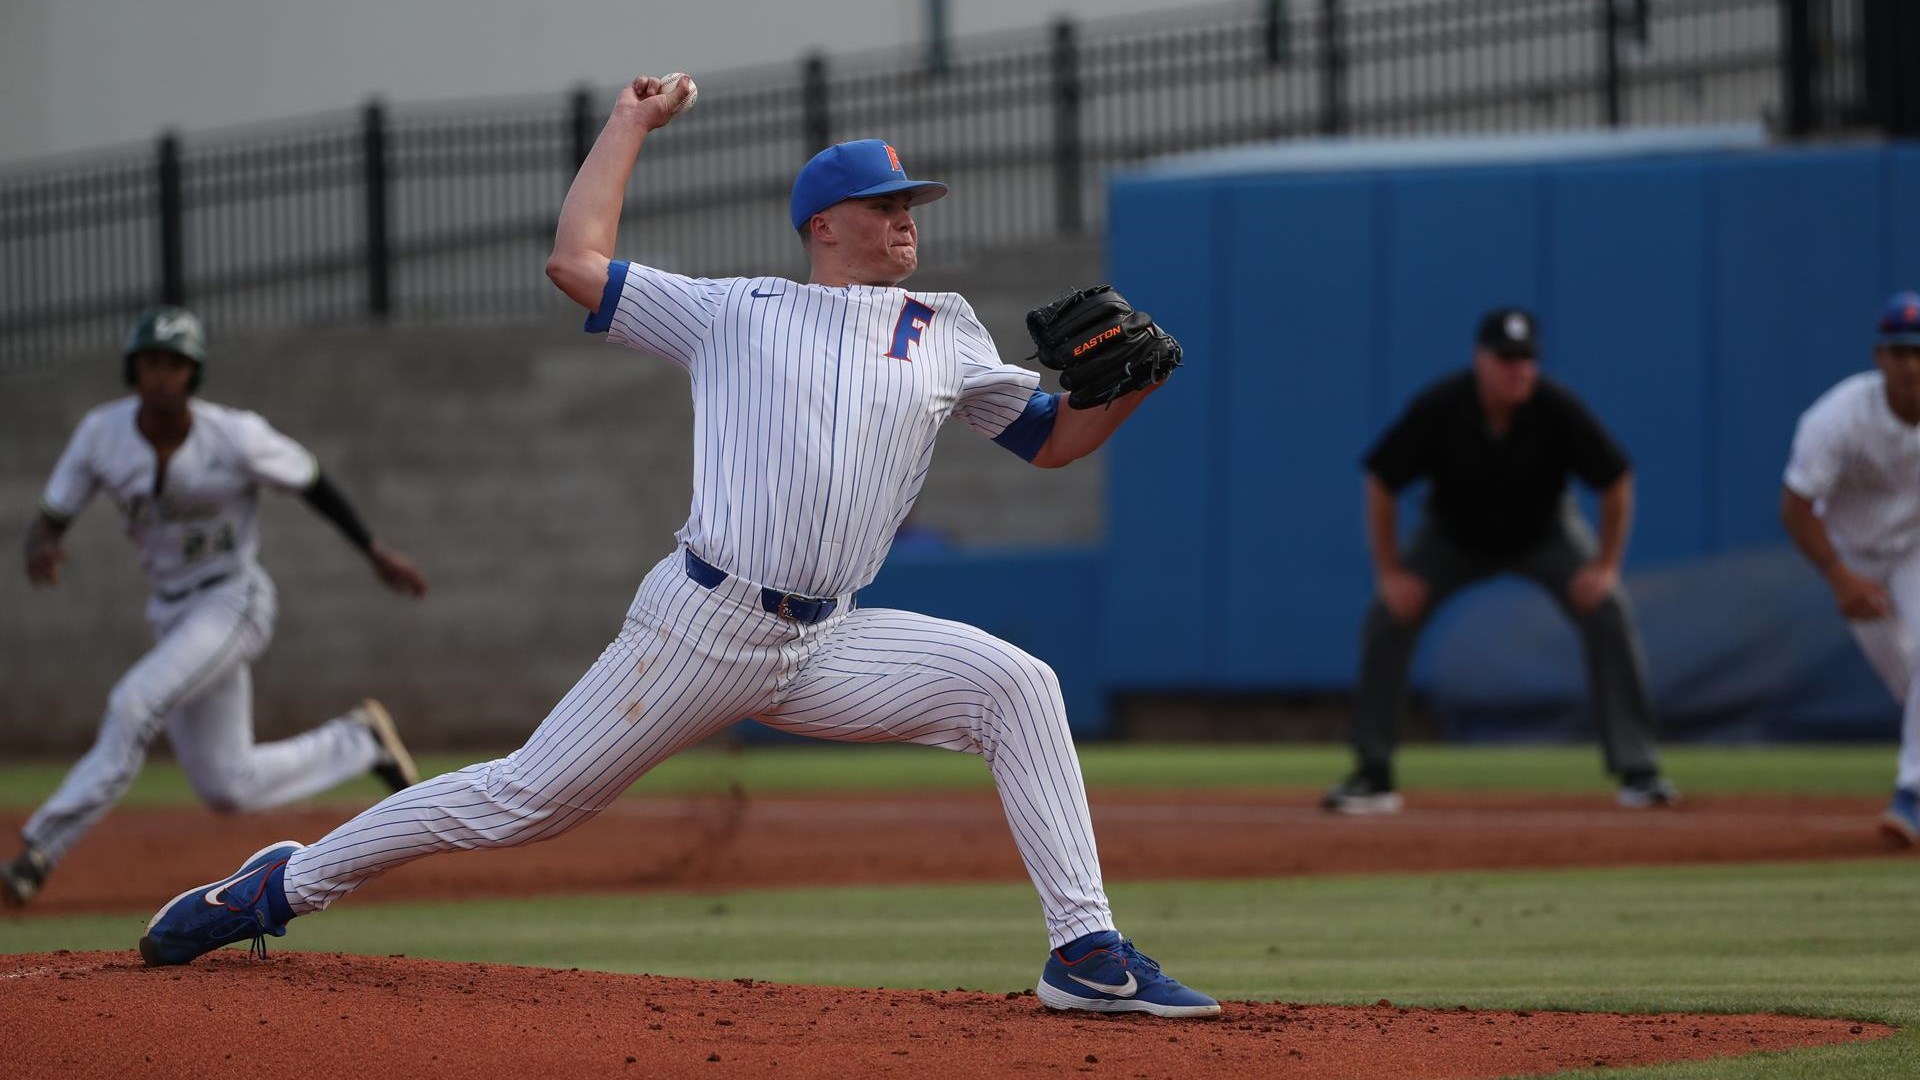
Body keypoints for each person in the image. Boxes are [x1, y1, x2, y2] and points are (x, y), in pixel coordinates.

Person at [136, 73, 1219, 1019]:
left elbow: (1053, 445)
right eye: (886, 206)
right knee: (525, 801)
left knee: (1017, 687)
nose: (908, 222)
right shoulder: (734, 310)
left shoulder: (947, 326)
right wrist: (630, 125)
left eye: (911, 206)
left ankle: (1086, 954)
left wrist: (1138, 389)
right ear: (825, 222)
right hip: (702, 621)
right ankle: (284, 885)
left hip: (828, 641)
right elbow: (576, 260)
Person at [0, 306, 429, 908]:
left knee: (134, 703)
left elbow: (311, 481)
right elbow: (50, 517)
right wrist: (40, 547)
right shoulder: (102, 435)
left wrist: (374, 550)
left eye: (176, 364)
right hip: (172, 612)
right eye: (152, 362)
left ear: (194, 374)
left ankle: (37, 852)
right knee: (229, 786)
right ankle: (360, 743)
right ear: (134, 368)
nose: (162, 376)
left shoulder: (233, 433)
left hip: (234, 600)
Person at [1322, 307, 1677, 814]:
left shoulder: (1556, 408)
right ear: (1480, 361)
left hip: (1544, 534)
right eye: (1507, 359)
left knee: (1608, 609)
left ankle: (1639, 770)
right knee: (1386, 617)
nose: (1519, 371)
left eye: (1527, 360)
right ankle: (1372, 773)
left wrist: (1605, 566)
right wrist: (1390, 572)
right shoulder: (1442, 406)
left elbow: (1616, 479)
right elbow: (1382, 480)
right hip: (1452, 537)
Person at [1780, 291, 1920, 847]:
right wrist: (1839, 578)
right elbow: (1794, 506)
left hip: (1916, 549)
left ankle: (1910, 797)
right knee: (1910, 683)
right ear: (1878, 356)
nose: (1912, 363)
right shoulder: (1838, 418)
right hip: (1855, 557)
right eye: (1900, 350)